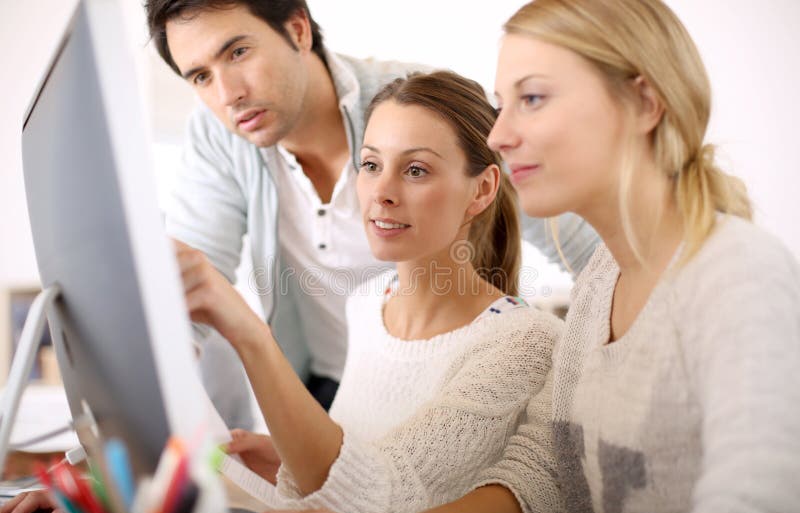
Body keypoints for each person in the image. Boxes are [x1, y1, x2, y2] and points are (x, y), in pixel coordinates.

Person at [250, 0, 800, 513]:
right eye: (501, 103)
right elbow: (541, 476)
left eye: (532, 98)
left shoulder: (736, 274)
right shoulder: (599, 286)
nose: (499, 135)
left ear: (643, 104)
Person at [0, 71, 563, 513]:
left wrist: (248, 332)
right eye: (370, 164)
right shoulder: (368, 305)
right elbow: (321, 498)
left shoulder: (524, 343)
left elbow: (378, 503)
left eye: (415, 169)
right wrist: (112, 490)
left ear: (483, 189)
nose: (381, 193)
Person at [145, 0, 598, 418]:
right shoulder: (219, 135)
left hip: (452, 384)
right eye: (200, 76)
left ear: (297, 30)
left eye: (238, 52)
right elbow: (192, 279)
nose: (228, 94)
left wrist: (600, 387)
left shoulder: (415, 107)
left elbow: (588, 251)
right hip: (333, 393)